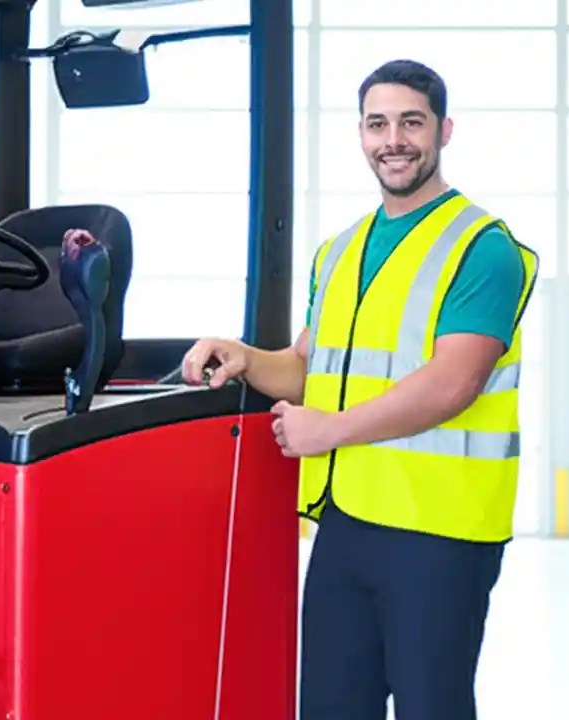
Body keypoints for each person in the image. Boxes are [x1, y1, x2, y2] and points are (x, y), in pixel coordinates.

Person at [181, 59, 539, 720]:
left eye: (411, 122)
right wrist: (244, 357)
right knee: (330, 707)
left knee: (433, 708)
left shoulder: (482, 248)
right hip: (346, 522)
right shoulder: (338, 252)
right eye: (379, 123)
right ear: (361, 134)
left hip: (441, 532)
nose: (393, 139)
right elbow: (306, 367)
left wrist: (328, 430)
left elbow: (454, 383)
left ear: (444, 130)